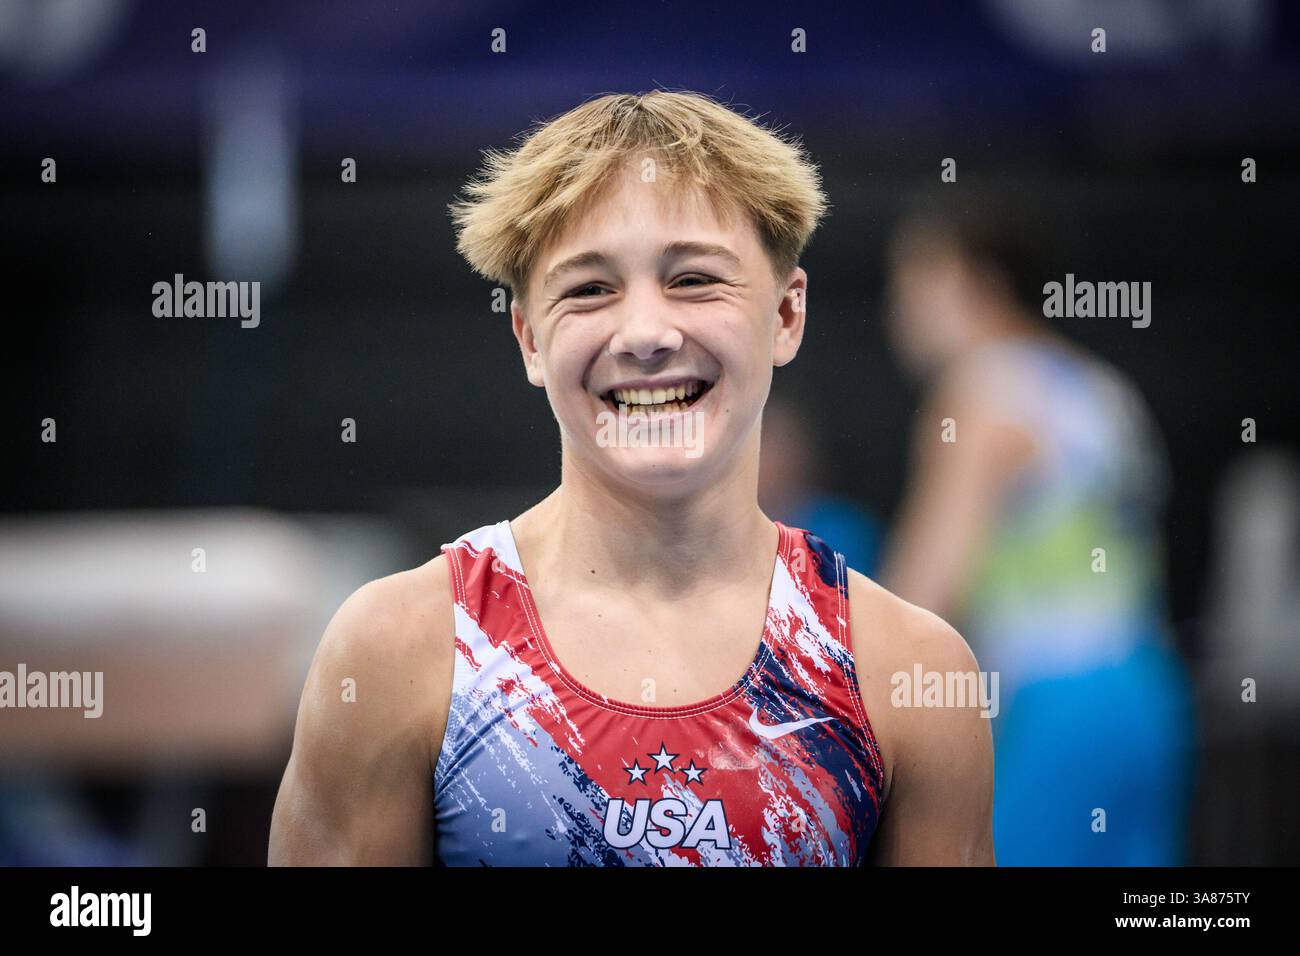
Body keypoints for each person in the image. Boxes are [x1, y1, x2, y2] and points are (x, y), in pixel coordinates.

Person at [269, 91, 993, 866]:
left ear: (786, 315)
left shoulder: (906, 673)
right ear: (530, 339)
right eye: (589, 289)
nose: (646, 333)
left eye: (693, 279)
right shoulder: (398, 652)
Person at [881, 191, 1195, 865]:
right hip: (1148, 691)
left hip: (1057, 705)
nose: (898, 310)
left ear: (981, 282)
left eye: (915, 282)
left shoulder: (981, 388)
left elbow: (926, 588)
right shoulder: (1098, 386)